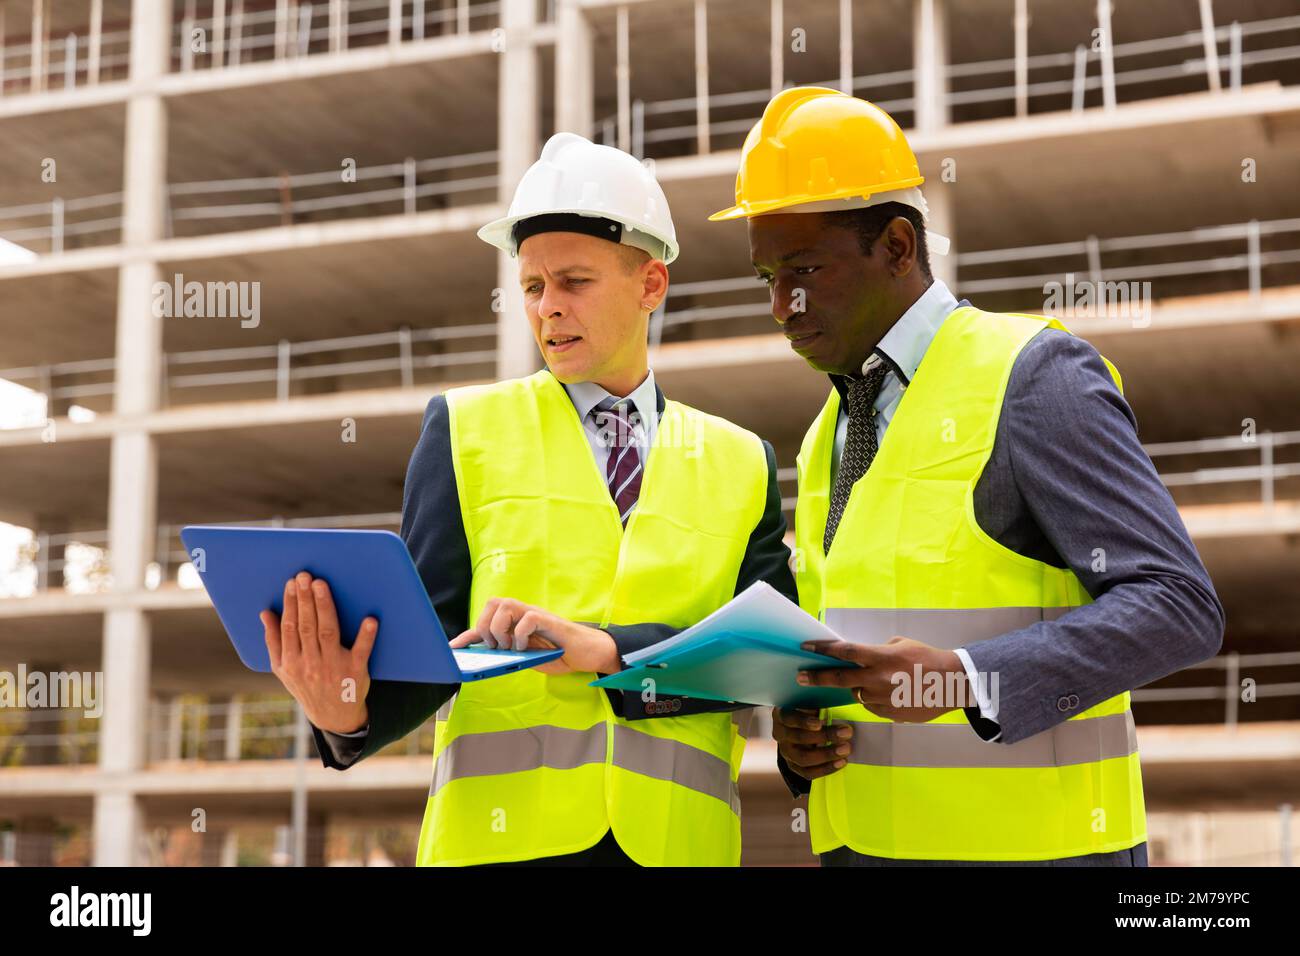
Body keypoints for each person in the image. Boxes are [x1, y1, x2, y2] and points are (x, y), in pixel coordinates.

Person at [710, 86, 1224, 866]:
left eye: (804, 268)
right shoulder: (830, 431)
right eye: (767, 279)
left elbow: (1178, 607)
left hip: (1035, 853)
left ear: (897, 245)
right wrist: (804, 736)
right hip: (866, 850)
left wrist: (964, 679)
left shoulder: (1034, 375)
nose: (783, 304)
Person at [261, 132, 795, 866]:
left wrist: (607, 653)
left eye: (575, 282)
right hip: (500, 847)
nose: (548, 308)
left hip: (679, 847)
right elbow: (430, 640)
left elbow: (770, 662)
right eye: (533, 287)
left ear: (650, 285)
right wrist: (344, 713)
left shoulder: (742, 460)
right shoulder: (465, 429)